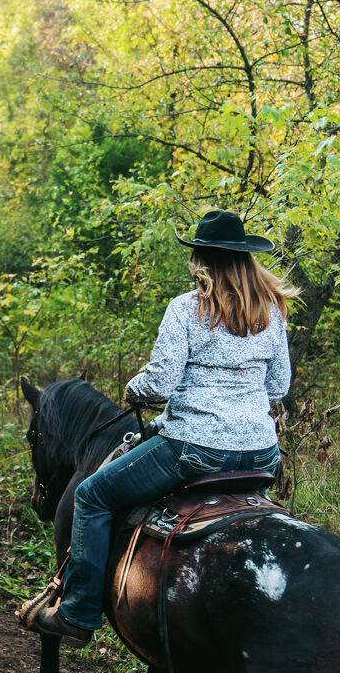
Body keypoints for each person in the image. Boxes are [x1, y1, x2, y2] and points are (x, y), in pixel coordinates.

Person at [31, 209, 292, 646]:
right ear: (247, 260)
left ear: (202, 261)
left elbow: (160, 382)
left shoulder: (187, 309)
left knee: (91, 495)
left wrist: (136, 387)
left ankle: (77, 612)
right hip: (262, 453)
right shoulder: (270, 309)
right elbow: (278, 385)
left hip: (197, 448)